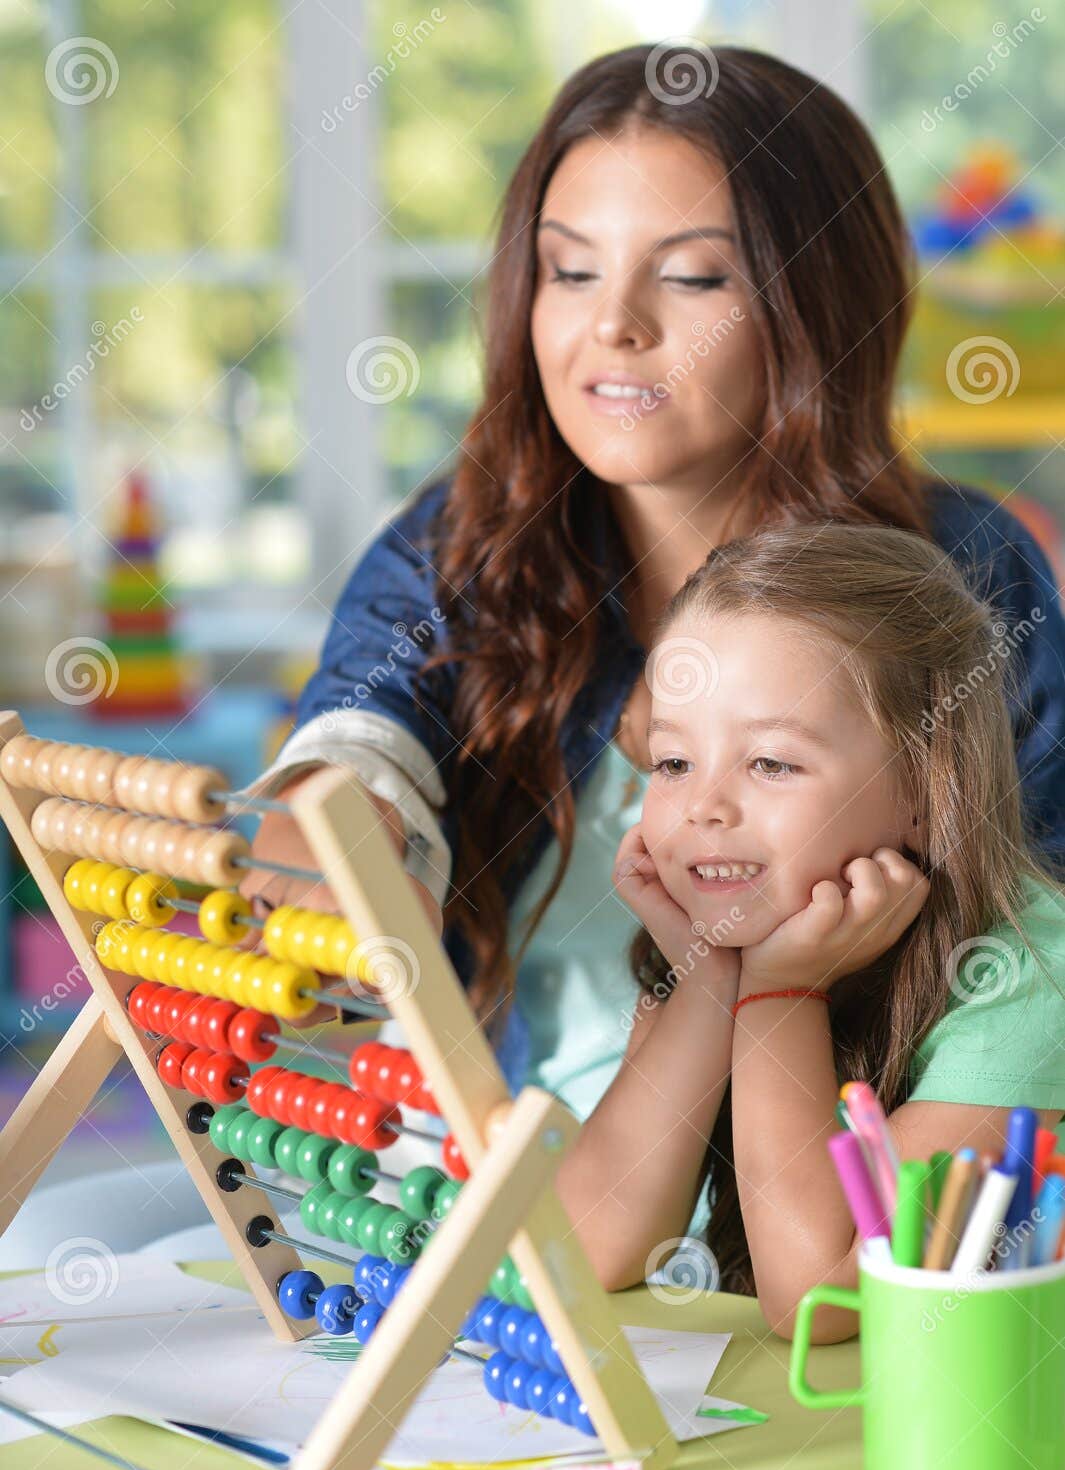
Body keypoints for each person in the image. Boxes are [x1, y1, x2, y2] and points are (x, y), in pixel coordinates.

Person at [241, 44, 1065, 1266]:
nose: (613, 327)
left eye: (689, 278)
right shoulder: (464, 550)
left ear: (814, 302)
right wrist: (343, 855)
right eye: (568, 269)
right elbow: (358, 739)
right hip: (564, 1202)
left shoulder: (960, 574)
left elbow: (1032, 909)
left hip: (860, 1235)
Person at [554, 523, 1065, 1338]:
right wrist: (710, 977)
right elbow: (585, 1247)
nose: (703, 808)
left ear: (922, 788)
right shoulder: (719, 942)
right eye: (673, 763)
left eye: (771, 764)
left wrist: (781, 994)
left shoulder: (1032, 978)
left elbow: (822, 1295)